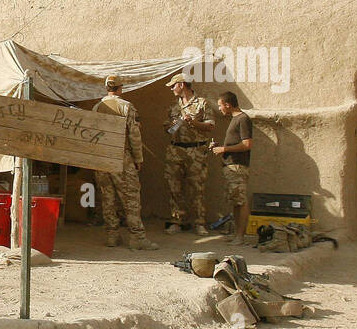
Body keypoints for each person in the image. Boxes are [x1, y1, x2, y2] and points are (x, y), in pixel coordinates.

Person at [94, 75, 158, 251]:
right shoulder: (126, 107)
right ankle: (137, 237)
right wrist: (138, 159)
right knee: (130, 196)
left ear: (107, 88)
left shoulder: (97, 107)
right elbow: (134, 135)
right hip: (121, 156)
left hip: (101, 157)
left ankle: (112, 235)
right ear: (120, 88)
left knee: (108, 197)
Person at [163, 73, 214, 235]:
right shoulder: (173, 107)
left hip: (196, 151)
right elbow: (168, 130)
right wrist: (172, 125)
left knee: (196, 188)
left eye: (173, 86)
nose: (172, 89)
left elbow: (211, 126)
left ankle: (199, 222)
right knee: (174, 187)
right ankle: (177, 220)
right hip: (175, 150)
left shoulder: (202, 103)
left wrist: (194, 123)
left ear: (182, 85)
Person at [212, 90, 253, 245]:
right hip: (231, 166)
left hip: (237, 167)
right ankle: (237, 234)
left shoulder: (242, 119)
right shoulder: (235, 119)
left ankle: (240, 237)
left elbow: (247, 144)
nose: (220, 109)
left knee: (241, 201)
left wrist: (225, 149)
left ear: (228, 105)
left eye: (220, 105)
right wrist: (221, 147)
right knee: (236, 201)